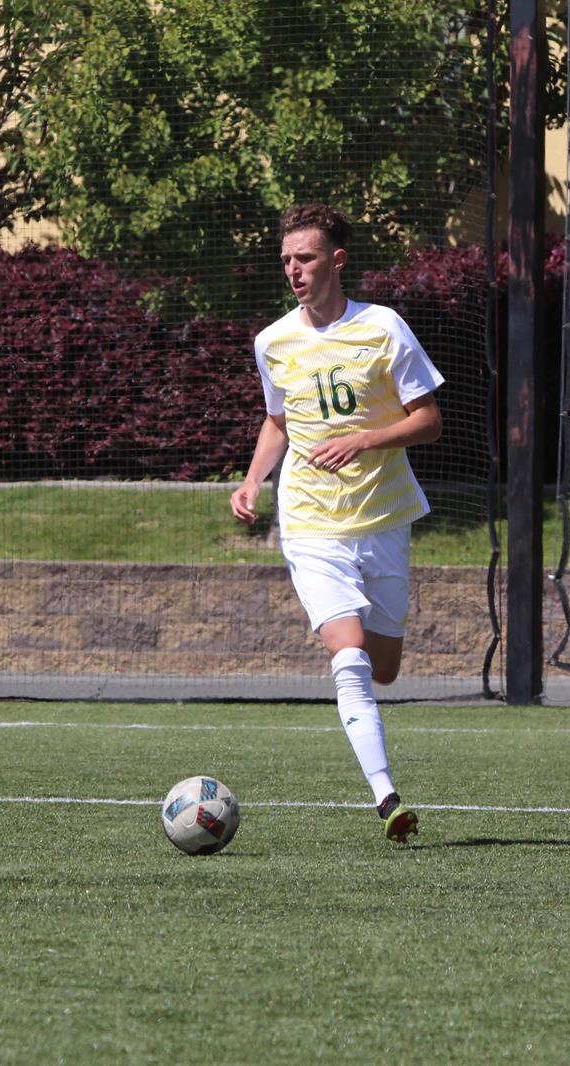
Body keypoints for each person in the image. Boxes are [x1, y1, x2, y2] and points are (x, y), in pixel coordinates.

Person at [230, 203, 444, 844]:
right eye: (288, 260)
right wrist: (252, 480)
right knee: (348, 658)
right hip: (310, 521)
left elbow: (428, 420)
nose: (295, 270)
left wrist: (366, 440)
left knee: (384, 667)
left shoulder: (383, 328)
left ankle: (380, 765)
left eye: (307, 258)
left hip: (382, 519)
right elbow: (278, 421)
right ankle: (388, 799)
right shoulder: (273, 340)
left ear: (337, 260)